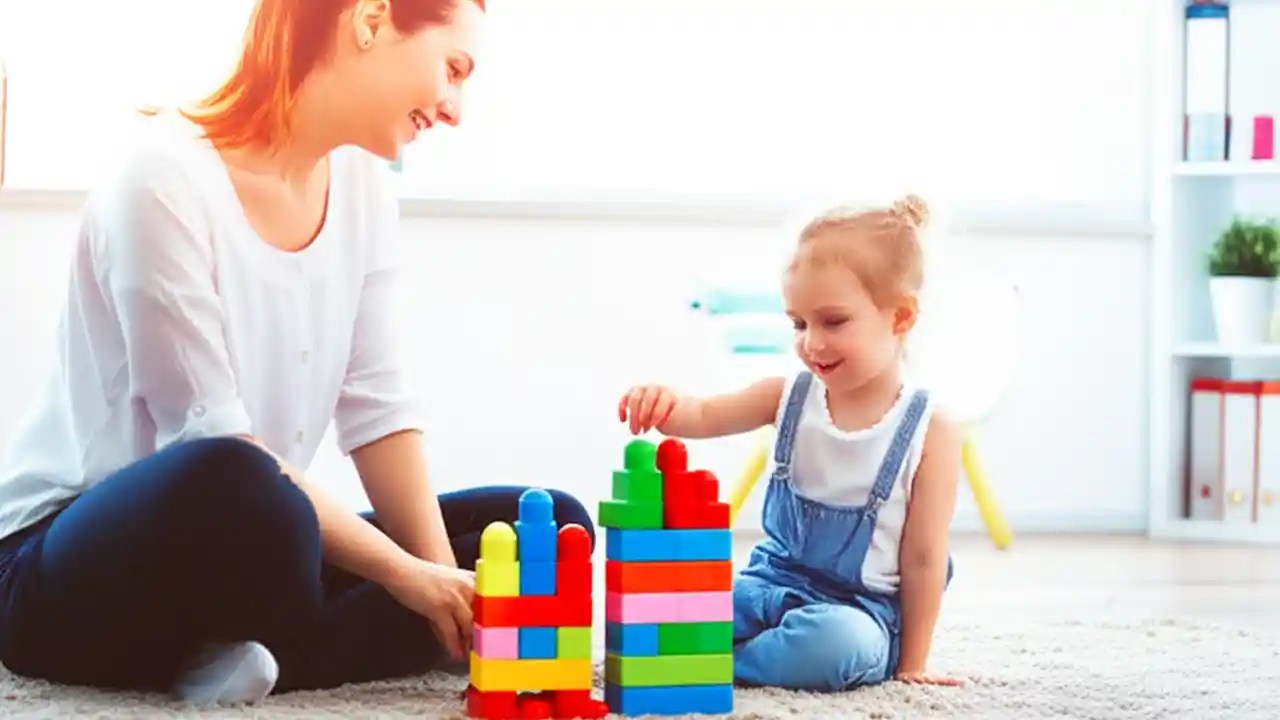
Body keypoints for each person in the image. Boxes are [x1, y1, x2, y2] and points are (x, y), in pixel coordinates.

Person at [0, 0, 595, 706]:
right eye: (453, 69)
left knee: (551, 532)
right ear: (371, 19)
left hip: (255, 539)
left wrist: (451, 593)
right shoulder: (161, 177)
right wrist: (403, 579)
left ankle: (248, 655)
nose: (457, 108)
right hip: (59, 564)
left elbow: (378, 410)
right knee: (255, 498)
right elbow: (215, 440)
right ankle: (278, 646)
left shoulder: (364, 186)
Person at [618, 195, 964, 692]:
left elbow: (925, 559)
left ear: (900, 318)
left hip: (857, 612)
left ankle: (721, 665)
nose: (811, 342)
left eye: (833, 321)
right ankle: (722, 648)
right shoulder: (787, 396)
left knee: (837, 645)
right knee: (681, 603)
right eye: (798, 323)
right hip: (768, 586)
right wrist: (664, 404)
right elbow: (706, 414)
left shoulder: (931, 431)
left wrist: (913, 663)